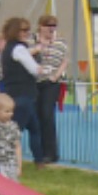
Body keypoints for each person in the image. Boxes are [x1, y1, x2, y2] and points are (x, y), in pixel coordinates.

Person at [0, 16, 44, 166]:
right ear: (15, 31)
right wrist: (41, 68)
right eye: (23, 30)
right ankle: (7, 160)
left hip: (14, 93)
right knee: (17, 132)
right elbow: (34, 70)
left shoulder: (8, 48)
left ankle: (39, 160)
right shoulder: (19, 48)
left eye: (28, 30)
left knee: (34, 128)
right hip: (24, 94)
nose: (27, 33)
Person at [33, 15, 70, 168]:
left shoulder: (60, 42)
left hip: (51, 82)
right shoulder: (33, 41)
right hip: (36, 81)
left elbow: (65, 60)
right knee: (37, 115)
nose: (51, 28)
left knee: (47, 113)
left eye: (53, 25)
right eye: (48, 25)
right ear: (40, 26)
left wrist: (56, 76)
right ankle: (39, 151)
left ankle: (51, 152)